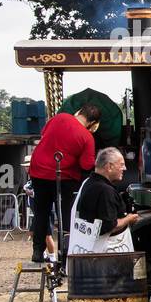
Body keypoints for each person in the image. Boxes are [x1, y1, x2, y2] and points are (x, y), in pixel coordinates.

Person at [28, 104, 101, 262]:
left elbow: (44, 134)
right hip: (63, 178)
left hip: (39, 171)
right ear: (92, 122)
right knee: (65, 214)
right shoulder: (87, 137)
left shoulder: (59, 118)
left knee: (41, 212)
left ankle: (37, 251)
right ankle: (66, 251)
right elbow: (86, 164)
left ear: (80, 112)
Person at [67, 147, 140, 256]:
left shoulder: (87, 183)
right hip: (106, 257)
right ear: (109, 167)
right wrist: (129, 218)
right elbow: (109, 226)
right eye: (121, 164)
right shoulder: (105, 191)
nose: (124, 168)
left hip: (84, 250)